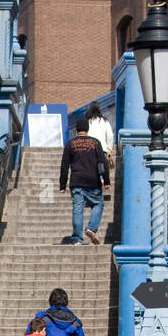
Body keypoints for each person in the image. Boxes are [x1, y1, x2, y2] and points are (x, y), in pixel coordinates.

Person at [60, 114, 110, 245]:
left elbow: (64, 165)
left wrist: (62, 185)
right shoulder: (95, 143)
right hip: (93, 181)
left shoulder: (70, 144)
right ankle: (91, 228)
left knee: (78, 209)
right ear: (87, 129)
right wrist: (106, 181)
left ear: (76, 130)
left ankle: (77, 239)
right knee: (98, 204)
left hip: (76, 181)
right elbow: (103, 162)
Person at [86, 101, 115, 169]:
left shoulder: (87, 121)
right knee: (102, 171)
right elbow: (110, 135)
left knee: (91, 171)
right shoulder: (104, 121)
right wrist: (109, 148)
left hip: (89, 150)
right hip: (102, 150)